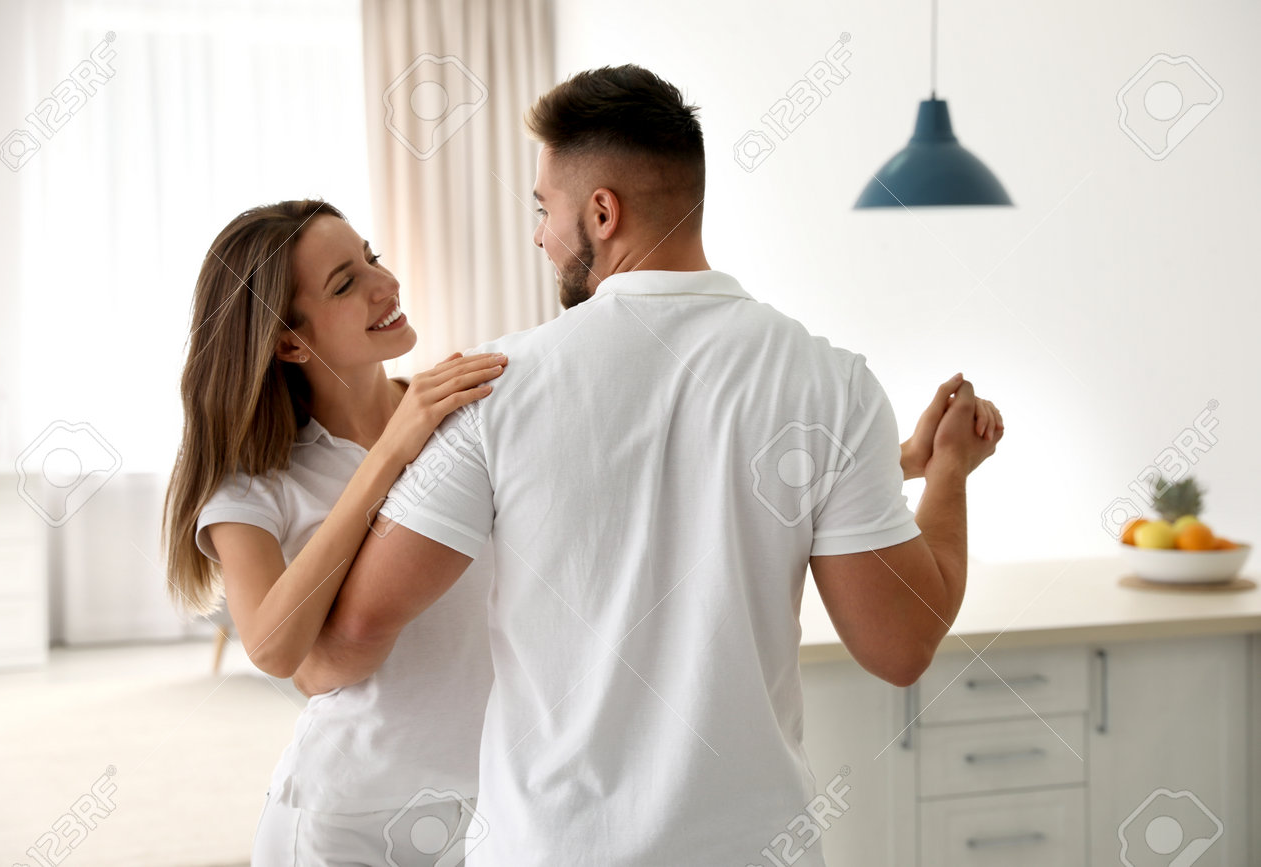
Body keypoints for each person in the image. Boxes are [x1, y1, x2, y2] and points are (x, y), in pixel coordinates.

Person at [294, 65, 1005, 866]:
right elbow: (901, 646)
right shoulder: (829, 381)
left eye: (544, 210)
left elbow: (347, 637)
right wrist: (949, 470)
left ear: (602, 211)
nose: (538, 236)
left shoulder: (494, 385)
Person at [162, 200, 504, 864]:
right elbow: (273, 648)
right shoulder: (254, 484)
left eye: (371, 256)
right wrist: (388, 455)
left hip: (489, 800)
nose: (386, 284)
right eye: (346, 283)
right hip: (346, 818)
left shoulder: (463, 420)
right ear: (290, 340)